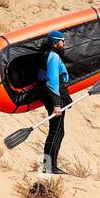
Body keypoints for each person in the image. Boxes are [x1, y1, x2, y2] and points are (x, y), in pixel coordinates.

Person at [37, 29, 71, 174]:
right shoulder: (53, 56)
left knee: (59, 131)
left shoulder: (48, 54)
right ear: (56, 42)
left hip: (52, 95)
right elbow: (52, 81)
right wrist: (56, 104)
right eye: (62, 41)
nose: (64, 43)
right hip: (53, 95)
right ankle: (48, 167)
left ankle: (51, 166)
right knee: (56, 130)